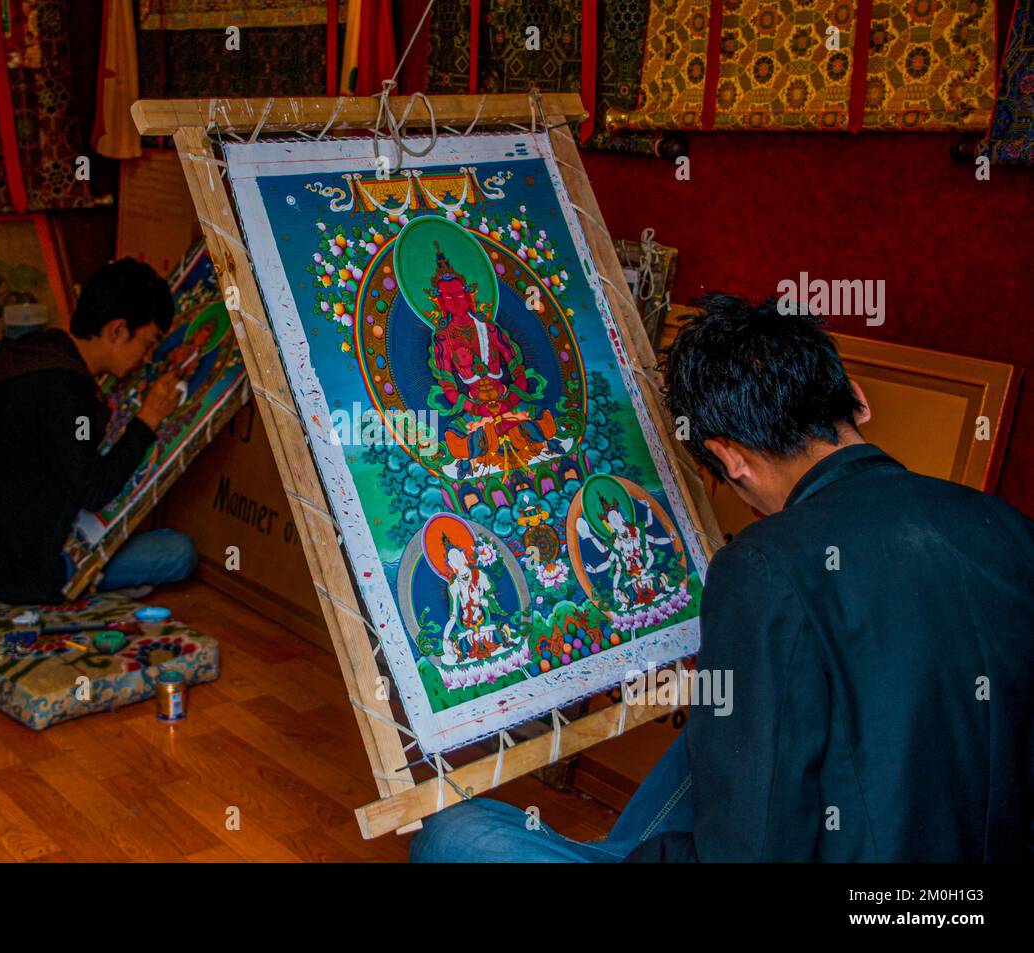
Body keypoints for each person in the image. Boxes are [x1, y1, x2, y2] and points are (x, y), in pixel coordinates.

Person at [411, 293, 1034, 862]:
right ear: (857, 398)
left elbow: (750, 849)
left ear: (730, 456)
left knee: (456, 838)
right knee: (721, 719)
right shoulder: (1007, 527)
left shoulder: (767, 564)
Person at [0, 258, 197, 605]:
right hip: (18, 571)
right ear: (117, 330)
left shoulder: (38, 348)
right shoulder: (65, 391)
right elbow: (92, 489)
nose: (147, 358)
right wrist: (147, 420)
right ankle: (85, 584)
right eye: (147, 343)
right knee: (178, 552)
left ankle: (96, 583)